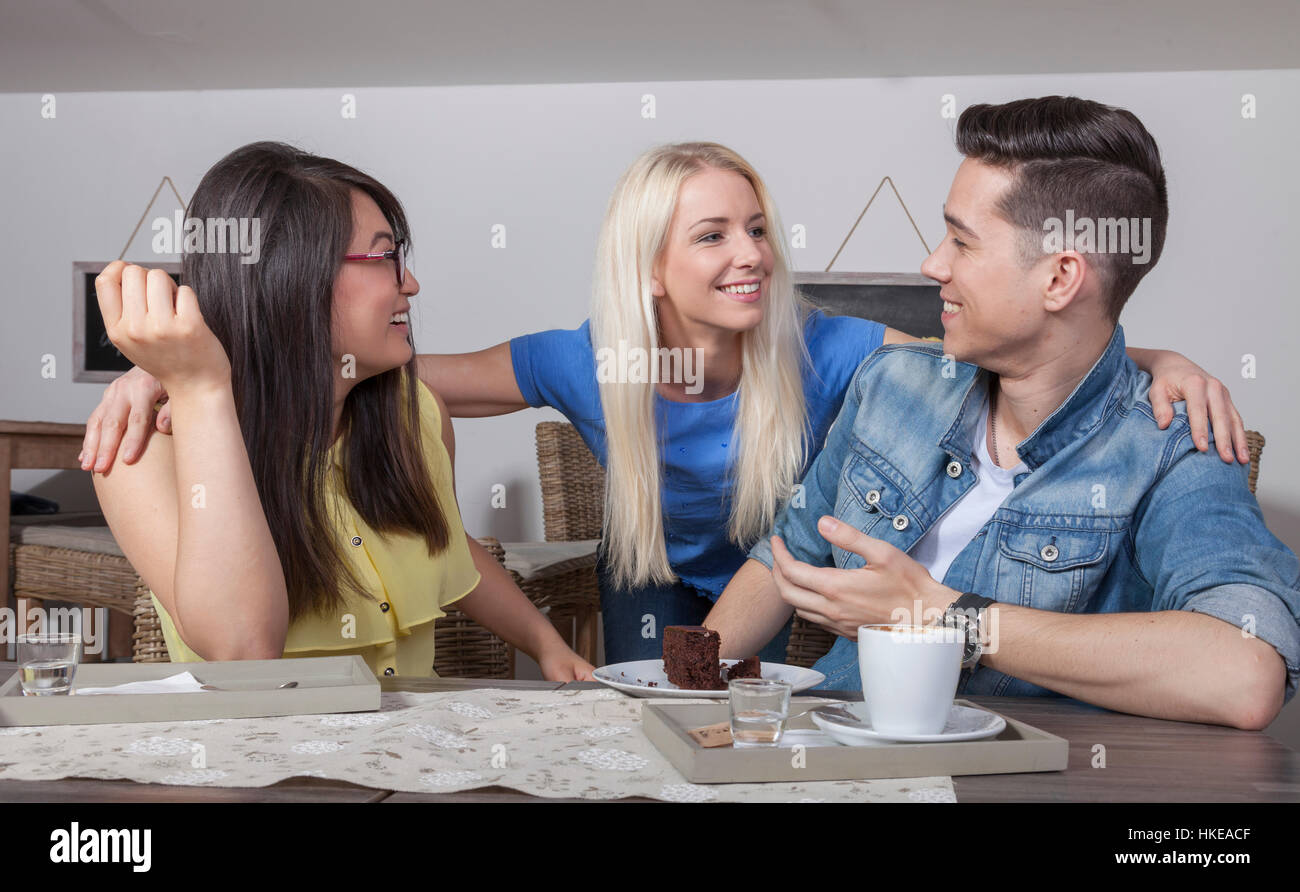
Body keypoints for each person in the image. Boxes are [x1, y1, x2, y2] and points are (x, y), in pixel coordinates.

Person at [82, 142, 1249, 669]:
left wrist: (1146, 353)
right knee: (657, 692)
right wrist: (200, 370)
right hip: (655, 570)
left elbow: (1003, 354)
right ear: (650, 265)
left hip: (770, 565)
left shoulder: (837, 351)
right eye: (712, 234)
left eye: (757, 230)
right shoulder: (589, 362)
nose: (749, 256)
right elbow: (408, 368)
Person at [704, 97, 1300, 729]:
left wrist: (940, 615)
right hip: (839, 759)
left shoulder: (1172, 447)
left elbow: (1246, 671)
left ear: (1060, 278)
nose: (934, 264)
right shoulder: (891, 385)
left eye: (962, 241)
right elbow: (781, 560)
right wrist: (678, 686)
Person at [90, 142, 594, 680]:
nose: (411, 284)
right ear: (290, 277)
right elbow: (242, 651)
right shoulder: (139, 448)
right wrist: (199, 389)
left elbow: (447, 543)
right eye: (383, 258)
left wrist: (546, 643)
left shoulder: (417, 415)